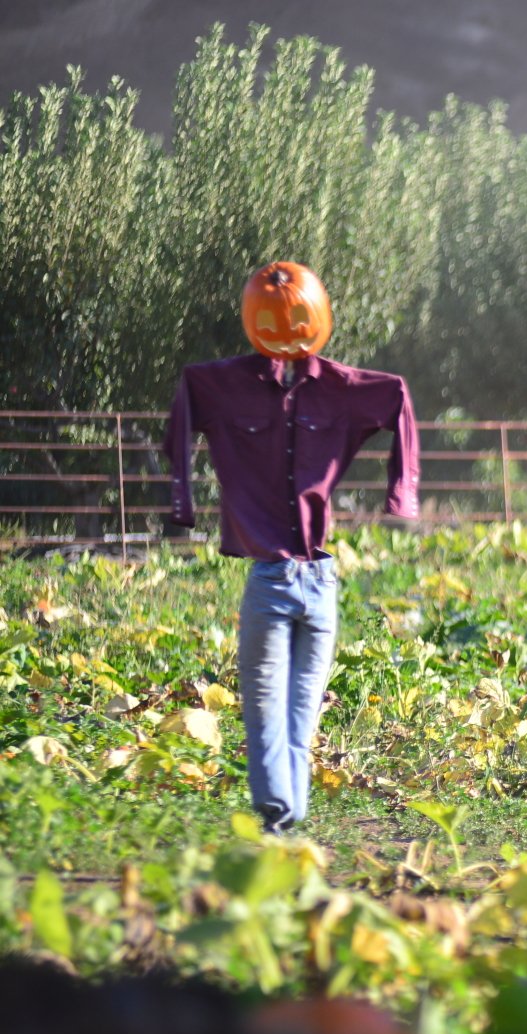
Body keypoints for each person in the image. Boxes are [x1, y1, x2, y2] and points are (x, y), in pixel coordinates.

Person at [164, 262, 418, 834]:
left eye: (299, 317)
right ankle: (284, 818)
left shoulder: (344, 388)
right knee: (274, 713)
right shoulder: (220, 385)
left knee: (291, 716)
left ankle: (283, 820)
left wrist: (401, 494)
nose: (286, 329)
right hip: (283, 580)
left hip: (312, 581)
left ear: (317, 317)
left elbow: (397, 397)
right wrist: (182, 501)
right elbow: (184, 404)